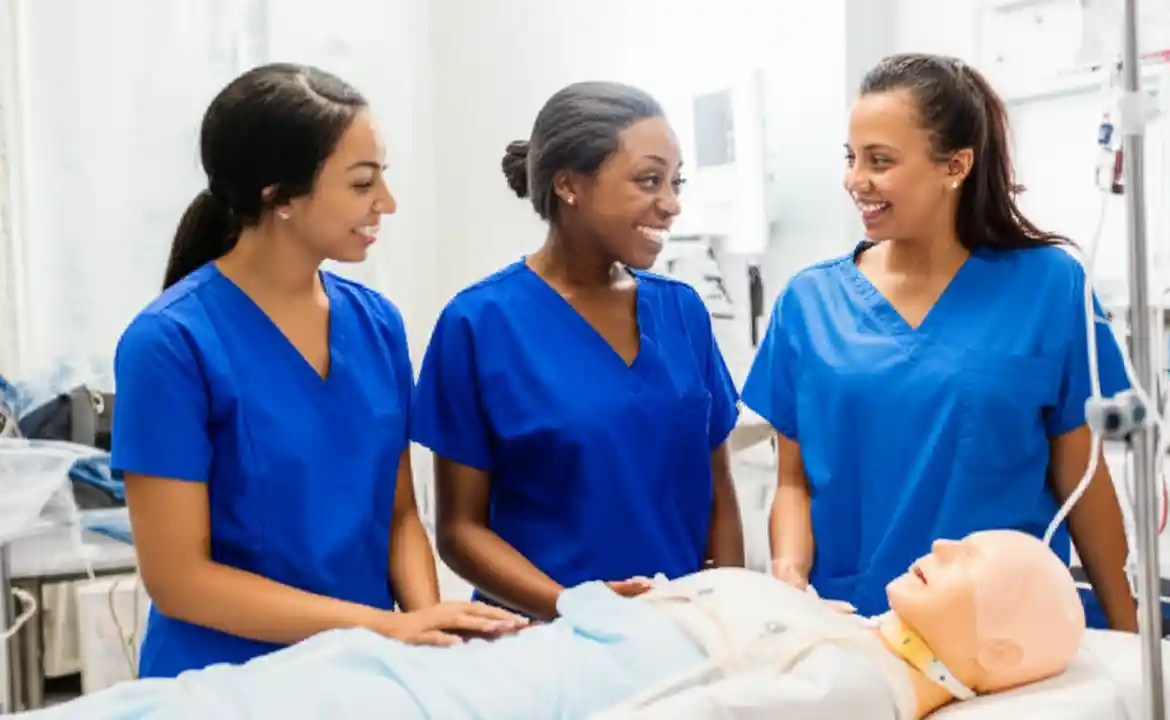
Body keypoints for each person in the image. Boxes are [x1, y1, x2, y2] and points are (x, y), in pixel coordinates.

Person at [111, 63, 523, 679]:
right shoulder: (170, 344)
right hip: (223, 686)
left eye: (384, 178)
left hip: (365, 672)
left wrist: (429, 627)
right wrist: (389, 627)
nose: (387, 202)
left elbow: (400, 516)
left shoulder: (377, 323)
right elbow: (180, 581)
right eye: (362, 184)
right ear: (277, 196)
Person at [742, 53, 1138, 631]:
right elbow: (793, 482)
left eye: (880, 161)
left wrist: (1131, 631)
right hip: (857, 626)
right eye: (851, 159)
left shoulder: (1050, 286)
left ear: (955, 165)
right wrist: (789, 580)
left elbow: (1082, 479)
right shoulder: (808, 303)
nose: (856, 180)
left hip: (1006, 630)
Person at [20, 529, 1085, 720]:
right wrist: (641, 598)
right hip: (511, 656)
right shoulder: (836, 621)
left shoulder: (858, 681)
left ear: (991, 656)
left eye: (967, 563)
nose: (939, 548)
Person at [411, 81, 745, 619]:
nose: (672, 204)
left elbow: (718, 492)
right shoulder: (479, 323)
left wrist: (727, 614)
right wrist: (579, 610)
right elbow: (459, 531)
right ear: (569, 185)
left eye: (675, 182)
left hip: (683, 637)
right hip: (542, 643)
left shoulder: (682, 312)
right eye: (649, 181)